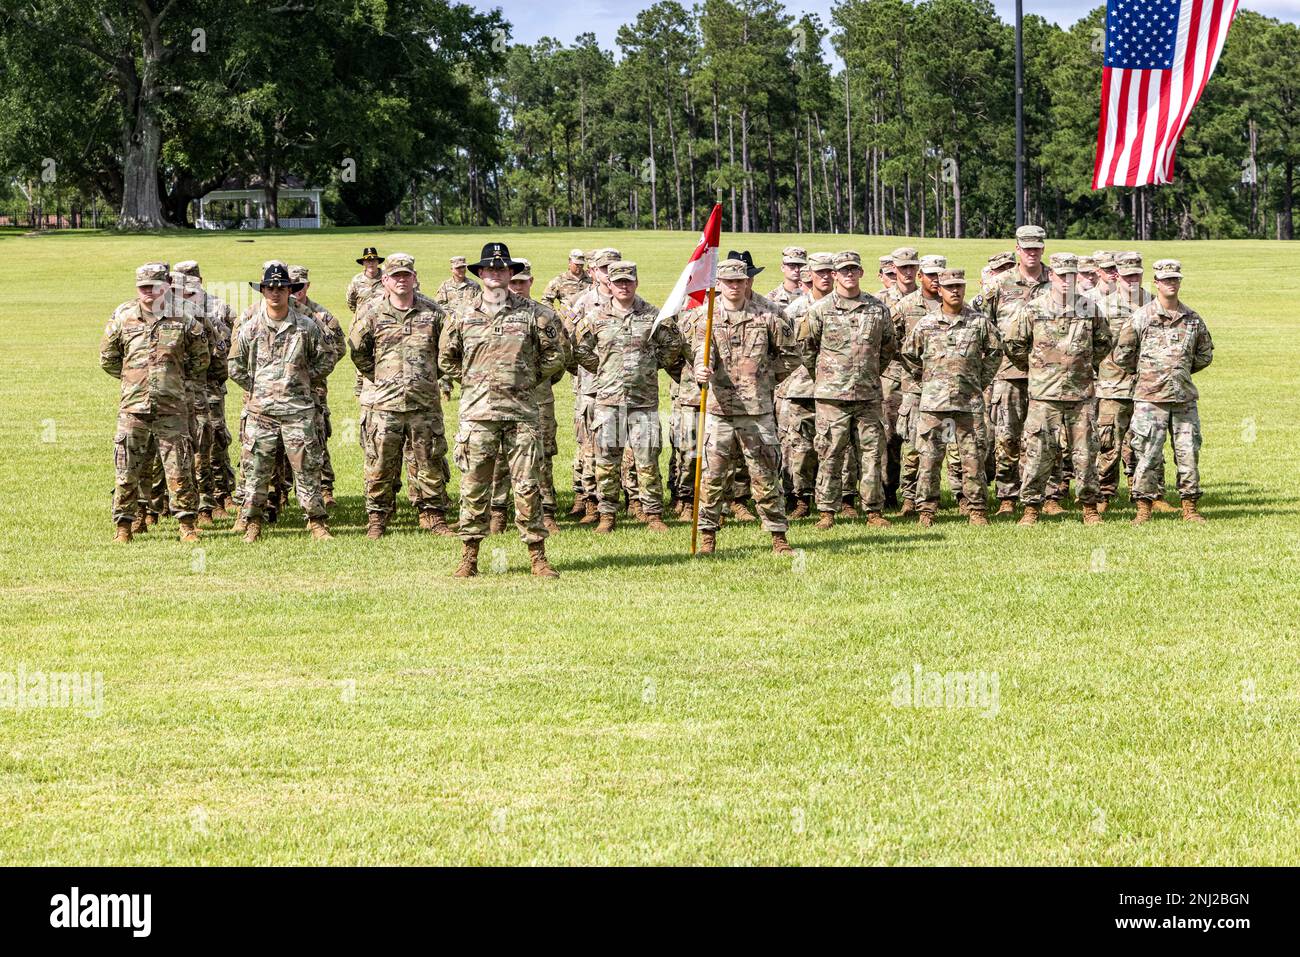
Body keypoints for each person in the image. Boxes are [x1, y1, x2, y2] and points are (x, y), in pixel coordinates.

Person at [438, 242, 566, 578]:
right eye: (490, 270)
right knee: (474, 485)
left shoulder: (536, 314)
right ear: (480, 274)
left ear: (511, 274)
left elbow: (557, 354)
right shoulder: (461, 314)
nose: (496, 275)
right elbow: (445, 358)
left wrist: (526, 378)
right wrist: (472, 380)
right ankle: (469, 557)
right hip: (478, 415)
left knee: (528, 485)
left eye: (502, 269)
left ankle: (537, 556)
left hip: (521, 414)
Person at [692, 258, 800, 555]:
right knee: (712, 477)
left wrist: (764, 379)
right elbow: (700, 354)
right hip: (720, 410)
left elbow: (791, 355)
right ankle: (707, 537)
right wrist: (701, 372)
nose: (734, 286)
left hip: (758, 411)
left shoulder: (769, 313)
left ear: (746, 281)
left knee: (765, 475)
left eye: (739, 281)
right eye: (728, 282)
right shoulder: (707, 317)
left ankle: (778, 536)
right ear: (719, 284)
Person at [347, 253, 455, 538]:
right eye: (396, 276)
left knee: (429, 461)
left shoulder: (433, 313)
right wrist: (380, 377)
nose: (402, 280)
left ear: (415, 278)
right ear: (385, 280)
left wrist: (428, 377)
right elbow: (358, 350)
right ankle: (377, 519)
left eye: (406, 275)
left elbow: (449, 352)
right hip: (384, 405)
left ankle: (435, 517)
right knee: (380, 462)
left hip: (424, 404)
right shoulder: (371, 312)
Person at [100, 263, 208, 542]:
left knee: (179, 468)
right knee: (126, 470)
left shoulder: (183, 319)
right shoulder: (123, 319)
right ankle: (124, 526)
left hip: (172, 409)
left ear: (166, 288)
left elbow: (200, 360)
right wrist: (134, 382)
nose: (148, 292)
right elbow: (109, 359)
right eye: (143, 287)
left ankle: (186, 525)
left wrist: (174, 383)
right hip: (133, 409)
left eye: (154, 287)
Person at [1002, 253, 1111, 526]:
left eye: (1072, 276)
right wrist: (1038, 368)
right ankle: (1031, 508)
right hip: (1044, 396)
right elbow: (1015, 344)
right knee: (1038, 453)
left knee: (1085, 453)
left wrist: (1081, 366)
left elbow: (1103, 342)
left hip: (1080, 395)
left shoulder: (1090, 308)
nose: (1066, 281)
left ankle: (1089, 507)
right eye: (1062, 276)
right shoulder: (1033, 309)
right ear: (1052, 276)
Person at [574, 261, 683, 533]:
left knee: (647, 461)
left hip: (643, 402)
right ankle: (607, 515)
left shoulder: (653, 315)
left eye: (628, 281)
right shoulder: (595, 318)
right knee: (607, 462)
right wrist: (603, 369)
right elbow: (580, 349)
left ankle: (654, 514)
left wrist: (651, 365)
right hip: (608, 402)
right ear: (608, 285)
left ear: (636, 282)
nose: (623, 286)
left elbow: (672, 345)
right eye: (618, 282)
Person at [227, 262, 333, 542]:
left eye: (281, 288)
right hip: (261, 412)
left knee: (307, 468)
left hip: (298, 411)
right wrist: (257, 388)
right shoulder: (250, 327)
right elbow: (235, 365)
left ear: (290, 291)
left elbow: (326, 358)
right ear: (262, 291)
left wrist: (302, 380)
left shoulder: (307, 326)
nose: (276, 293)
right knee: (255, 470)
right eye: (270, 288)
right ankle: (252, 523)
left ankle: (316, 522)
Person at [798, 251, 896, 530]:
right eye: (843, 270)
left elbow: (888, 346)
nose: (848, 274)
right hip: (832, 396)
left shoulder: (877, 309)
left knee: (871, 454)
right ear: (835, 275)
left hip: (868, 394)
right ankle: (827, 511)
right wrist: (826, 376)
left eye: (853, 269)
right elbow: (807, 348)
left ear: (861, 273)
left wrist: (870, 372)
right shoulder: (820, 309)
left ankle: (873, 510)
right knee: (830, 453)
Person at [899, 269, 1003, 527]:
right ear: (940, 290)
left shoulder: (978, 323)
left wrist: (979, 380)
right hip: (935, 406)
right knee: (930, 459)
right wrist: (928, 380)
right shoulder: (926, 323)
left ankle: (976, 509)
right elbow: (909, 355)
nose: (955, 291)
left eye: (959, 286)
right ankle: (926, 510)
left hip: (968, 404)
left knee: (973, 458)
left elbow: (995, 353)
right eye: (949, 286)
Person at [1113, 259, 1214, 524]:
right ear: (1156, 283)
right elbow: (1122, 354)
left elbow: (1204, 354)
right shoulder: (1141, 317)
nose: (1171, 283)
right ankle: (1144, 507)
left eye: (1175, 279)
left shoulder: (1192, 319)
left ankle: (1189, 506)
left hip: (1183, 399)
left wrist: (1178, 372)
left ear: (1180, 282)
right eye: (1166, 280)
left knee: (1188, 453)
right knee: (1146, 454)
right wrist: (1151, 373)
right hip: (1149, 399)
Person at [984, 225, 1054, 516]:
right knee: (1008, 436)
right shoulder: (1000, 284)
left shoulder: (1057, 281)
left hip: (1048, 376)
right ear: (1017, 249)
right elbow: (982, 326)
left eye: (1037, 246)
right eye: (1027, 247)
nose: (1032, 252)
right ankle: (1007, 496)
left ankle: (1048, 495)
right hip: (1009, 374)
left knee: (1045, 436)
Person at [778, 252, 834, 518]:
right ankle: (800, 498)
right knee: (800, 447)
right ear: (809, 276)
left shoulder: (842, 306)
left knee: (834, 447)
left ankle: (834, 500)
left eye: (828, 272)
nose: (824, 277)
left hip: (836, 389)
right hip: (801, 388)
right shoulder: (794, 311)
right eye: (819, 272)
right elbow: (778, 349)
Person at [1094, 251, 1152, 510]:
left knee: (1146, 442)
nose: (1132, 280)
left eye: (1137, 275)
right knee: (1109, 441)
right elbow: (1091, 345)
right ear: (1117, 276)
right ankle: (1104, 494)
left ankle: (1146, 494)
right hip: (1112, 384)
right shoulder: (1102, 307)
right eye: (1127, 275)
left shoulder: (1153, 304)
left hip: (1148, 386)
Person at [289, 265, 346, 508]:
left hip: (313, 390)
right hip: (279, 391)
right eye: (290, 286)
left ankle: (325, 489)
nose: (295, 291)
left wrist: (309, 373)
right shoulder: (273, 313)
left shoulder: (321, 317)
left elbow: (338, 349)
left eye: (299, 286)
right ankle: (279, 493)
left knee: (317, 438)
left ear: (307, 286)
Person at [890, 250, 942, 516]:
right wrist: (911, 369)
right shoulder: (905, 306)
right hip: (915, 386)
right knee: (912, 444)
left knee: (947, 441)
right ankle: (910, 498)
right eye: (931, 275)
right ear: (921, 276)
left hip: (947, 390)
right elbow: (890, 342)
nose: (936, 280)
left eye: (940, 275)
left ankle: (951, 495)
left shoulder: (955, 305)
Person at [541, 249, 591, 314]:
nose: (579, 266)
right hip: (567, 319)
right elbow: (546, 300)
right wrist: (555, 316)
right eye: (576, 264)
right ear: (569, 262)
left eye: (581, 264)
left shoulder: (591, 279)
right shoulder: (560, 281)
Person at [346, 248, 384, 314]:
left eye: (373, 261)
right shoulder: (357, 280)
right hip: (363, 320)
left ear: (378, 262)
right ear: (363, 263)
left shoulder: (387, 278)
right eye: (368, 261)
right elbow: (351, 301)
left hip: (383, 319)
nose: (371, 263)